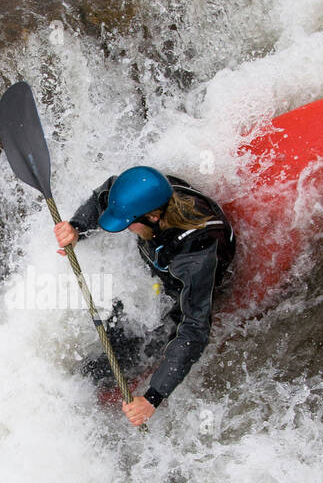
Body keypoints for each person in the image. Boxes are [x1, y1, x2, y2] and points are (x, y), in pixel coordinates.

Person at [54, 166, 236, 426]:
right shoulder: (153, 191)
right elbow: (106, 194)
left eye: (130, 224)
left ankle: (89, 391)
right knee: (113, 322)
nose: (127, 229)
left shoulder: (195, 255)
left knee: (126, 352)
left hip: (184, 291)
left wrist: (152, 398)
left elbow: (194, 329)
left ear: (153, 217)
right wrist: (76, 228)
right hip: (160, 272)